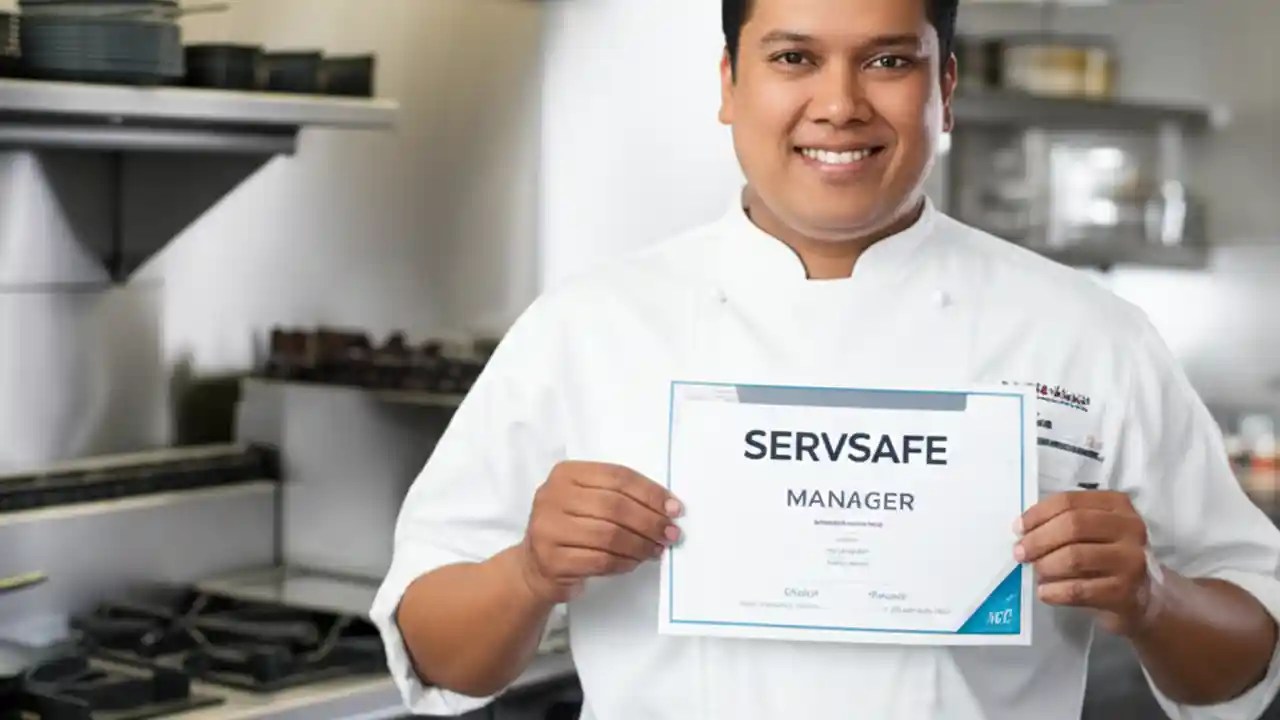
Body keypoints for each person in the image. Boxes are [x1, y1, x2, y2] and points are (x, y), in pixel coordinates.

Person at [371, 0, 1280, 717]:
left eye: (888, 61)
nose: (840, 104)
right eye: (793, 58)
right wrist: (530, 573)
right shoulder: (588, 326)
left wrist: (1153, 599)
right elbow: (439, 657)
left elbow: (1247, 661)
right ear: (729, 83)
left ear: (946, 87)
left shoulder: (1088, 334)